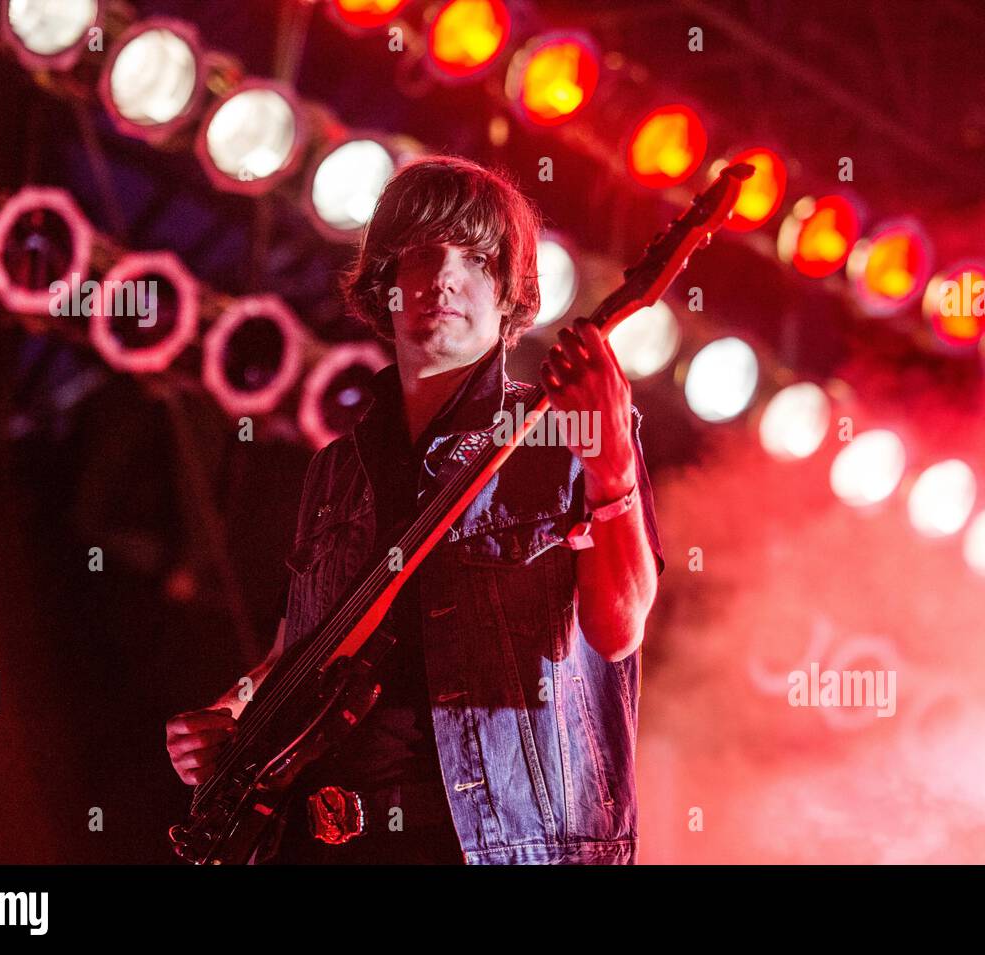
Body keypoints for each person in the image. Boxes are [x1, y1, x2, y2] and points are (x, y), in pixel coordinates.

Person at [166, 155, 664, 864]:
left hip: (498, 848)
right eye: (423, 253)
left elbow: (617, 632)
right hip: (326, 845)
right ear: (386, 282)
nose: (445, 276)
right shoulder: (336, 469)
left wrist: (611, 462)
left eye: (475, 258)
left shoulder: (566, 434)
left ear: (510, 295)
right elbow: (294, 651)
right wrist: (229, 709)